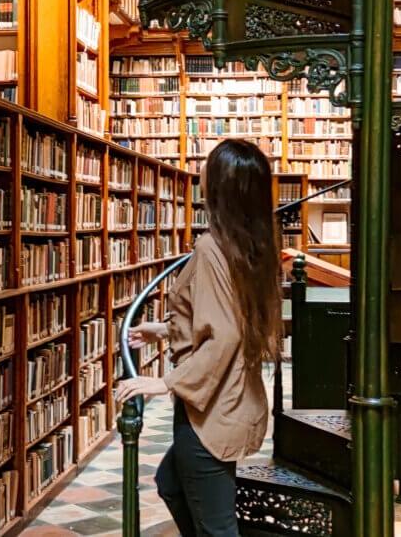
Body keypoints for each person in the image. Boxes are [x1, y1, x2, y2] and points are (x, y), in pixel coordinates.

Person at [115, 138, 282, 537]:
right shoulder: (252, 245)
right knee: (171, 483)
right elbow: (229, 317)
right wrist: (163, 331)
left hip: (209, 410)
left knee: (218, 528)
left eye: (208, 166)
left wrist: (164, 382)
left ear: (219, 184)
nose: (201, 172)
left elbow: (223, 334)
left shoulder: (210, 247)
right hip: (233, 397)